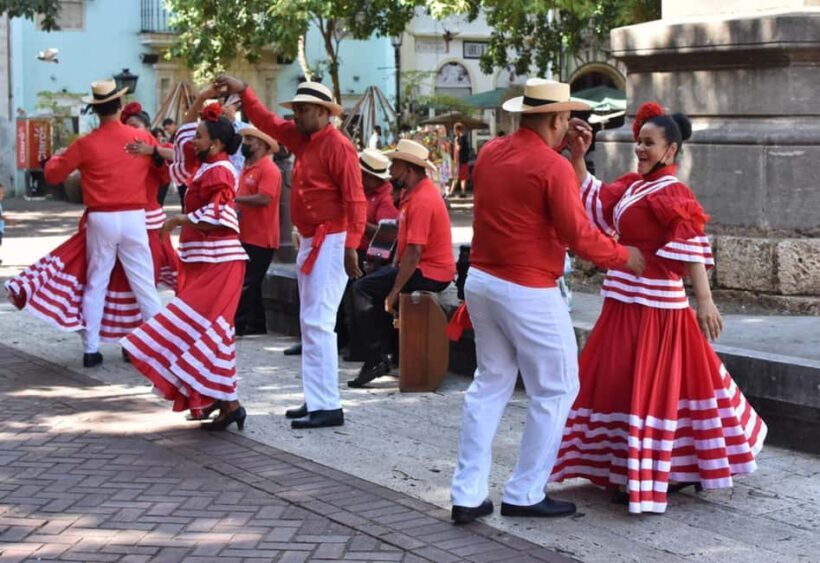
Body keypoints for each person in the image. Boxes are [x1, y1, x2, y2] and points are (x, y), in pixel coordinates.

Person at [549, 102, 767, 514]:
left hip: (656, 306)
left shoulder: (673, 192)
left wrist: (704, 300)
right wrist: (577, 156)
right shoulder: (634, 185)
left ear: (670, 151)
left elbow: (691, 247)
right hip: (624, 300)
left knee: (654, 388)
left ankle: (654, 471)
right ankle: (632, 468)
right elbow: (596, 202)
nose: (640, 149)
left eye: (649, 143)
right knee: (626, 384)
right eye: (639, 141)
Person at [449, 78, 646, 525]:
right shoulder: (550, 167)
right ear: (558, 118)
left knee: (490, 385)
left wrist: (571, 156)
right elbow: (577, 234)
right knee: (556, 388)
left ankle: (467, 494)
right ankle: (524, 491)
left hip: (481, 280)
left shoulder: (492, 153)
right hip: (528, 288)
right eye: (565, 120)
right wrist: (624, 257)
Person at [216, 75, 366, 429]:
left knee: (318, 322)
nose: (296, 115)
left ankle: (327, 403)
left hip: (331, 238)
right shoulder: (306, 139)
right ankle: (318, 399)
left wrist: (352, 246)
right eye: (295, 109)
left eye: (302, 110)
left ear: (322, 112)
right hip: (317, 239)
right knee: (311, 322)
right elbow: (267, 122)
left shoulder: (338, 146)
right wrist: (244, 90)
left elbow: (355, 198)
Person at [15, 80, 163, 368]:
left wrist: (54, 159)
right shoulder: (140, 138)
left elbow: (55, 176)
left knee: (97, 282)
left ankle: (91, 349)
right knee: (144, 285)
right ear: (120, 107)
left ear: (96, 110)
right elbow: (164, 166)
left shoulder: (86, 143)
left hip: (101, 217)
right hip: (135, 216)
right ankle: (158, 348)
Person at [121, 102, 248, 431]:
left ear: (216, 144)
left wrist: (180, 218)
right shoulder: (206, 167)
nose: (194, 141)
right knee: (208, 332)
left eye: (201, 136)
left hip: (219, 263)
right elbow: (179, 148)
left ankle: (226, 401)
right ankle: (219, 400)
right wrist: (203, 99)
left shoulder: (219, 170)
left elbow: (222, 215)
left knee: (207, 330)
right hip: (207, 261)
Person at [348, 140, 454, 388]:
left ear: (408, 168)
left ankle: (376, 357)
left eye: (395, 164)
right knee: (368, 288)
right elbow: (403, 242)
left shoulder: (423, 199)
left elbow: (415, 252)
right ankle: (385, 355)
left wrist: (394, 292)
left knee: (362, 289)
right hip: (420, 266)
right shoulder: (411, 195)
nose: (391, 169)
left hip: (431, 271)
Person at [342, 149, 399, 362]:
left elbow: (386, 234)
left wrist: (359, 223)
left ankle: (363, 349)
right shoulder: (363, 191)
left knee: (358, 296)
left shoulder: (385, 198)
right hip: (354, 248)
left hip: (371, 253)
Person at [121, 102, 179, 290]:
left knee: (149, 273)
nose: (131, 132)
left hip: (150, 222)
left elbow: (179, 159)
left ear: (147, 129)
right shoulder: (118, 153)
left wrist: (153, 151)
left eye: (135, 126)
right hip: (122, 221)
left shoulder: (158, 152)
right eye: (126, 127)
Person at [234, 127, 282, 336]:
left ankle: (241, 325)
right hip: (246, 233)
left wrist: (234, 199)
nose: (245, 143)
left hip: (261, 236)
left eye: (250, 140)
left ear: (262, 145)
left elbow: (265, 198)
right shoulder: (248, 167)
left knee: (248, 282)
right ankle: (256, 324)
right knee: (251, 281)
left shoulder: (268, 169)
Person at [450, 122, 470, 198]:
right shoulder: (461, 138)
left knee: (460, 176)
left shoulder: (461, 138)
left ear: (458, 130)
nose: (454, 132)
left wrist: (455, 142)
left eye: (455, 130)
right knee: (460, 176)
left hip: (461, 160)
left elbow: (458, 148)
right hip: (459, 160)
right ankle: (459, 192)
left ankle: (458, 192)